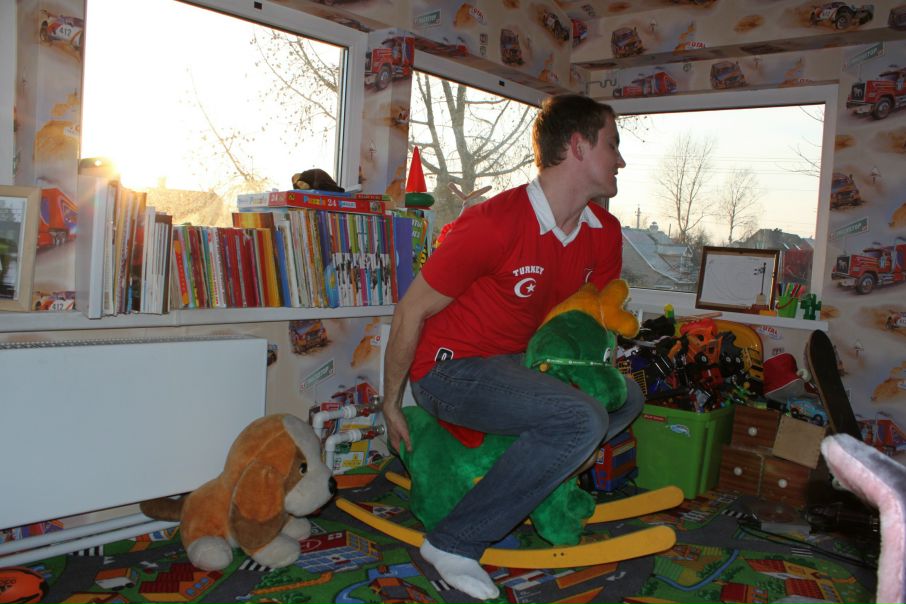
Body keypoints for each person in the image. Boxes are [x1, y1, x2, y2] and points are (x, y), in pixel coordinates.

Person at [381, 94, 643, 600]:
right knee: (581, 419)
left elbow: (588, 330)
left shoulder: (605, 233)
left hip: (521, 365)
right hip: (451, 369)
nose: (621, 160)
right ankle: (452, 543)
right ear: (578, 146)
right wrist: (390, 401)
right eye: (612, 145)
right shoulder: (494, 223)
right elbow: (410, 311)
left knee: (624, 395)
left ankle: (539, 472)